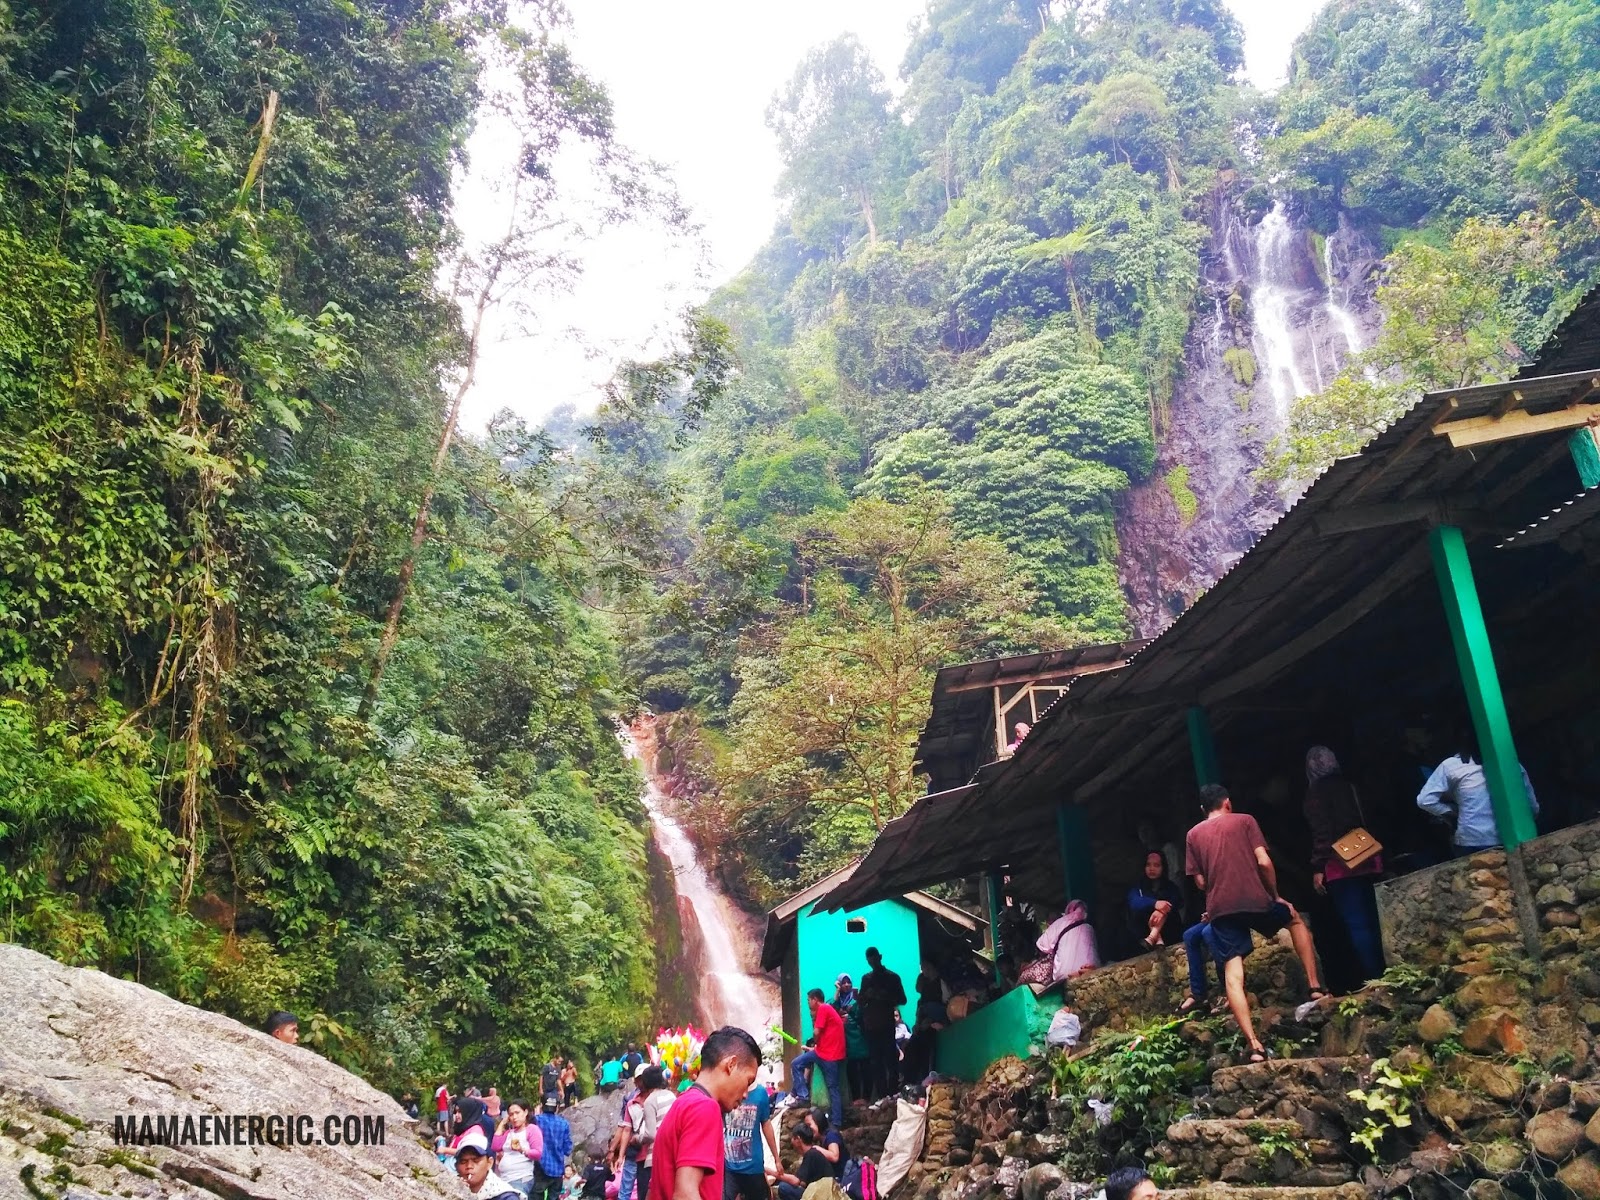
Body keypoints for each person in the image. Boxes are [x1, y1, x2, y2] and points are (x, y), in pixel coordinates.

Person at [1185, 784, 1328, 1063]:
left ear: (1203, 810)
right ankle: (1314, 986)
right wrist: (1275, 896)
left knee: (1233, 973)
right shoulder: (1246, 820)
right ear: (1227, 802)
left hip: (1221, 910)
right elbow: (1263, 862)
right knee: (1295, 920)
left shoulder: (1193, 835)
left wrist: (1217, 890)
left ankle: (1254, 1046)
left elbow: (1200, 881)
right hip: (1255, 899)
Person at [648, 1025, 762, 1200]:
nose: (746, 1093)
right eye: (748, 1081)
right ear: (731, 1065)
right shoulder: (705, 1108)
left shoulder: (683, 1103)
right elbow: (685, 1194)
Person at [1303, 746, 1386, 983]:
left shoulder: (1316, 794)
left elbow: (1323, 832)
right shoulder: (1351, 785)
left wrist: (1318, 867)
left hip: (1340, 864)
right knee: (1375, 917)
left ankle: (1374, 977)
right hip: (1368, 856)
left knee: (1356, 923)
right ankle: (1389, 968)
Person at [1417, 732, 1539, 855]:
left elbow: (1425, 800)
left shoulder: (1451, 766)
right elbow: (1532, 806)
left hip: (1472, 841)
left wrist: (1453, 812)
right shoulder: (1511, 763)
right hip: (1514, 836)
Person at [789, 990, 846, 1130]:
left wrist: (815, 1042)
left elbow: (816, 1032)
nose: (808, 1003)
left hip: (829, 1055)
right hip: (822, 1052)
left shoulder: (824, 1008)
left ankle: (837, 1121)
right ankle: (803, 1096)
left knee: (833, 1087)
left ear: (815, 999)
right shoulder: (826, 1009)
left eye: (809, 1000)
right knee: (796, 1063)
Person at [856, 947, 907, 1102]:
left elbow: (902, 1000)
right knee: (876, 1063)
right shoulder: (866, 979)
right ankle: (882, 1097)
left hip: (886, 1025)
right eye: (869, 960)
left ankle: (892, 1095)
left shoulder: (892, 978)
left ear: (880, 957)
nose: (872, 962)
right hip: (871, 1027)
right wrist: (862, 997)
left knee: (891, 1061)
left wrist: (882, 996)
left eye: (874, 958)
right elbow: (862, 1002)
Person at [724, 1075, 780, 1200]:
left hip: (753, 1167)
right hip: (728, 1167)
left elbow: (766, 1124)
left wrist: (776, 1158)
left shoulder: (760, 1093)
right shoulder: (726, 1089)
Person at [1127, 851, 1184, 948]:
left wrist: (1160, 912)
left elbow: (1178, 902)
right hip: (1143, 933)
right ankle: (1157, 939)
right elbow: (1134, 902)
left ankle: (1153, 937)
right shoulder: (1138, 887)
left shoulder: (1170, 887)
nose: (1152, 869)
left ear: (1163, 868)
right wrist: (1155, 904)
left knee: (1164, 910)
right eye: (1148, 865)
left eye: (1156, 865)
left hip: (1169, 933)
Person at [1039, 900, 1100, 981]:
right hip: (1090, 970)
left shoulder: (1059, 923)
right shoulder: (1089, 928)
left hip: (1062, 975)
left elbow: (1041, 945)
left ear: (1068, 910)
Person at [496, 1099, 544, 1199]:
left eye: (517, 1113)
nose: (514, 1117)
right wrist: (502, 1123)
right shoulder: (509, 1132)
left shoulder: (531, 1129)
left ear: (525, 1112)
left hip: (521, 1178)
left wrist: (522, 1150)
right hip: (504, 1179)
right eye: (511, 1114)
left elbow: (538, 1153)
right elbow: (495, 1146)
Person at [534, 1094, 575, 1200]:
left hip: (540, 1168)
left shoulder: (536, 1120)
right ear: (556, 1107)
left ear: (542, 1106)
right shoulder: (564, 1123)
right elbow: (567, 1149)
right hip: (557, 1169)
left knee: (536, 1196)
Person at [456, 1135, 523, 1200]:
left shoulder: (505, 1197)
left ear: (489, 1163)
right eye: (463, 1161)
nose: (469, 1166)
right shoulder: (452, 1190)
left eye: (476, 1160)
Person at [775, 1124, 831, 1200]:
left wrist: (770, 1172)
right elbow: (802, 1182)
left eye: (793, 1138)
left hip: (821, 1196)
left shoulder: (811, 1154)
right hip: (819, 1193)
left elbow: (796, 1181)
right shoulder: (813, 1154)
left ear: (798, 1139)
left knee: (784, 1187)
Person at [803, 1110, 846, 1178]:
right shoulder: (820, 1138)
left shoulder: (831, 1135)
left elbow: (834, 1157)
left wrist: (815, 1148)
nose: (807, 1129)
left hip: (841, 1177)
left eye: (809, 1125)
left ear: (819, 1122)